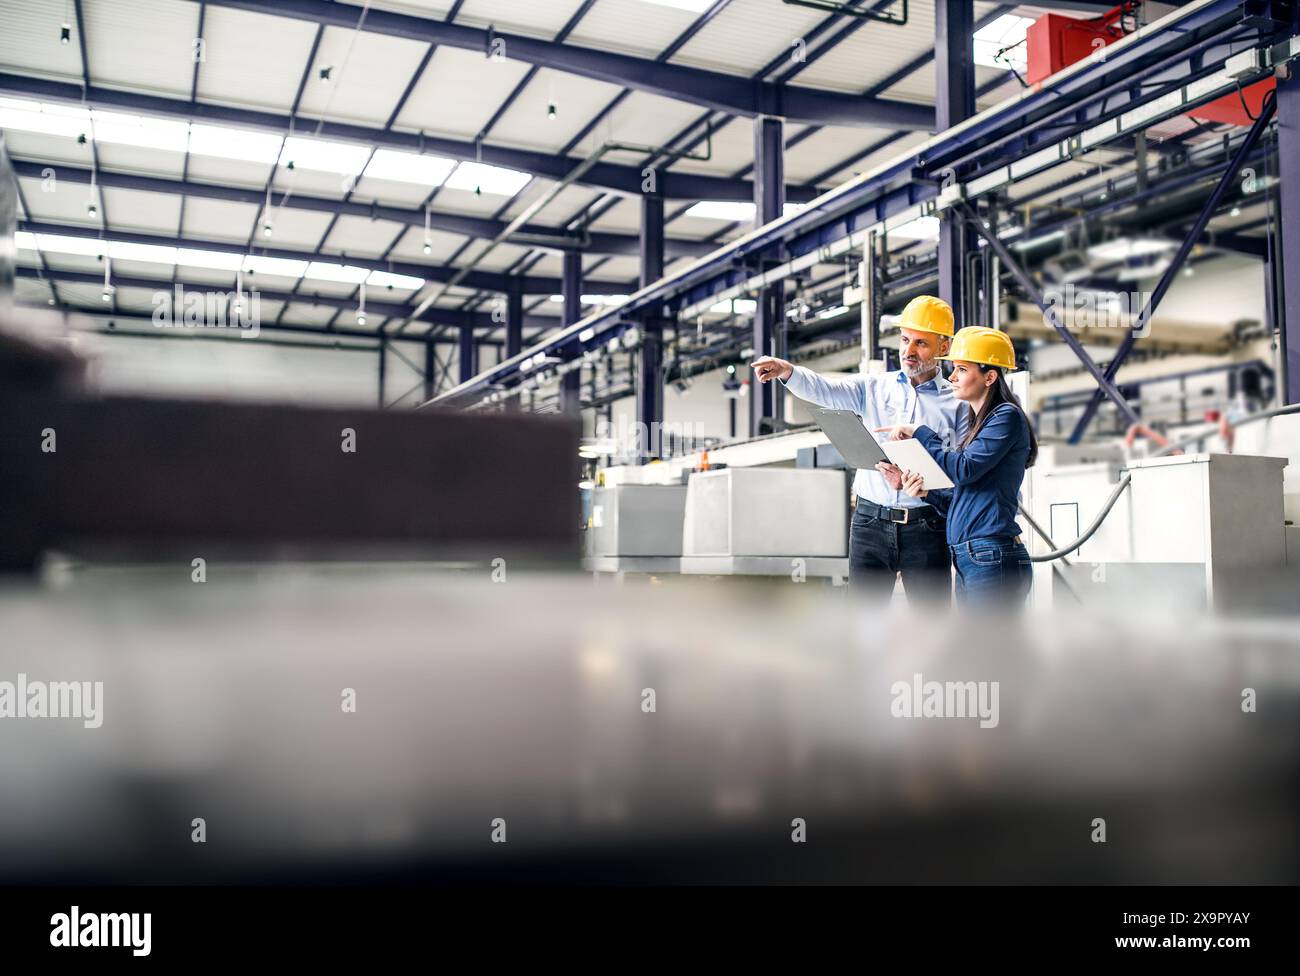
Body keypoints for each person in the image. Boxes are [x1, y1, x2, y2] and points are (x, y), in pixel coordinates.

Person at [751, 295, 968, 603]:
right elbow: (826, 390)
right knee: (863, 619)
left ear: (944, 347)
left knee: (931, 620)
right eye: (905, 340)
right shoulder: (874, 387)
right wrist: (788, 372)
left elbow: (960, 467)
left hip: (927, 525)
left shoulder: (957, 403)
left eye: (921, 343)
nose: (908, 351)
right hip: (870, 522)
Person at [876, 327, 1038, 607]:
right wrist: (924, 492)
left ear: (989, 377)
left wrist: (920, 432)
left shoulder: (1006, 417)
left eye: (961, 369)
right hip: (972, 556)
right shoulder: (981, 425)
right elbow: (965, 497)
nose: (951, 377)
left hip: (990, 554)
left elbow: (963, 469)